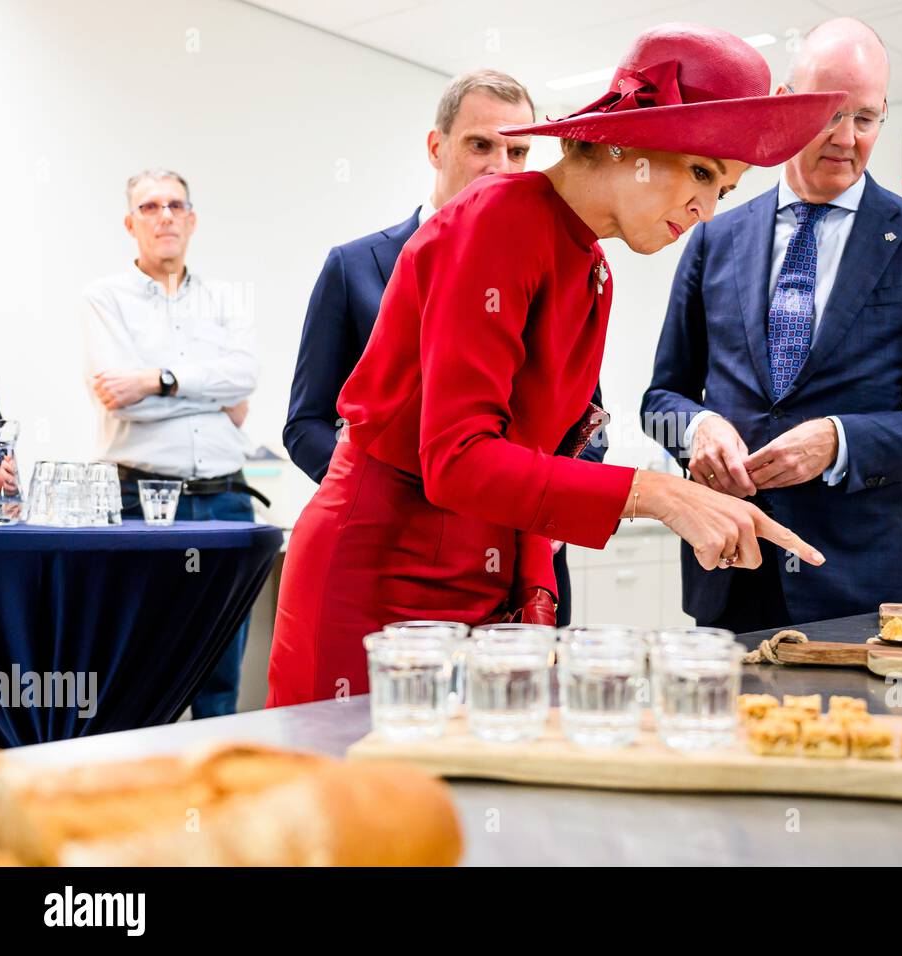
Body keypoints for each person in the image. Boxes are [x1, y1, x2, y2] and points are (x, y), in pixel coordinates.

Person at [267, 22, 842, 707]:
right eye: (700, 171)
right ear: (626, 138)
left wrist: (535, 602)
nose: (706, 208)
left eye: (725, 188)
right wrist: (660, 494)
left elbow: (537, 456)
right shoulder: (496, 217)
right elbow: (458, 459)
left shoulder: (592, 268)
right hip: (378, 578)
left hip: (486, 579)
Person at [641, 18, 902, 632]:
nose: (847, 138)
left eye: (867, 118)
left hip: (852, 581)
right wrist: (695, 429)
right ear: (783, 104)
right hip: (727, 564)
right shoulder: (713, 236)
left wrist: (841, 440)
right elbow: (660, 399)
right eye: (830, 113)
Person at [283, 69, 605, 628]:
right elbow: (308, 422)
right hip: (398, 556)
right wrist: (387, 498)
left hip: (527, 556)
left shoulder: (568, 270)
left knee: (528, 712)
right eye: (480, 146)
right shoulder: (356, 266)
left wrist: (553, 510)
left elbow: (583, 425)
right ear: (437, 148)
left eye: (518, 151)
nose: (499, 168)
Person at [82, 168, 260, 718]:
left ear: (192, 219)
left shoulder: (227, 297)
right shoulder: (104, 298)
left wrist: (155, 379)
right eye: (151, 207)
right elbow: (116, 389)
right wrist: (211, 389)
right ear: (130, 222)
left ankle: (217, 790)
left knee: (219, 667)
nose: (165, 216)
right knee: (141, 662)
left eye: (175, 206)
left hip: (228, 499)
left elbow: (245, 380)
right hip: (141, 500)